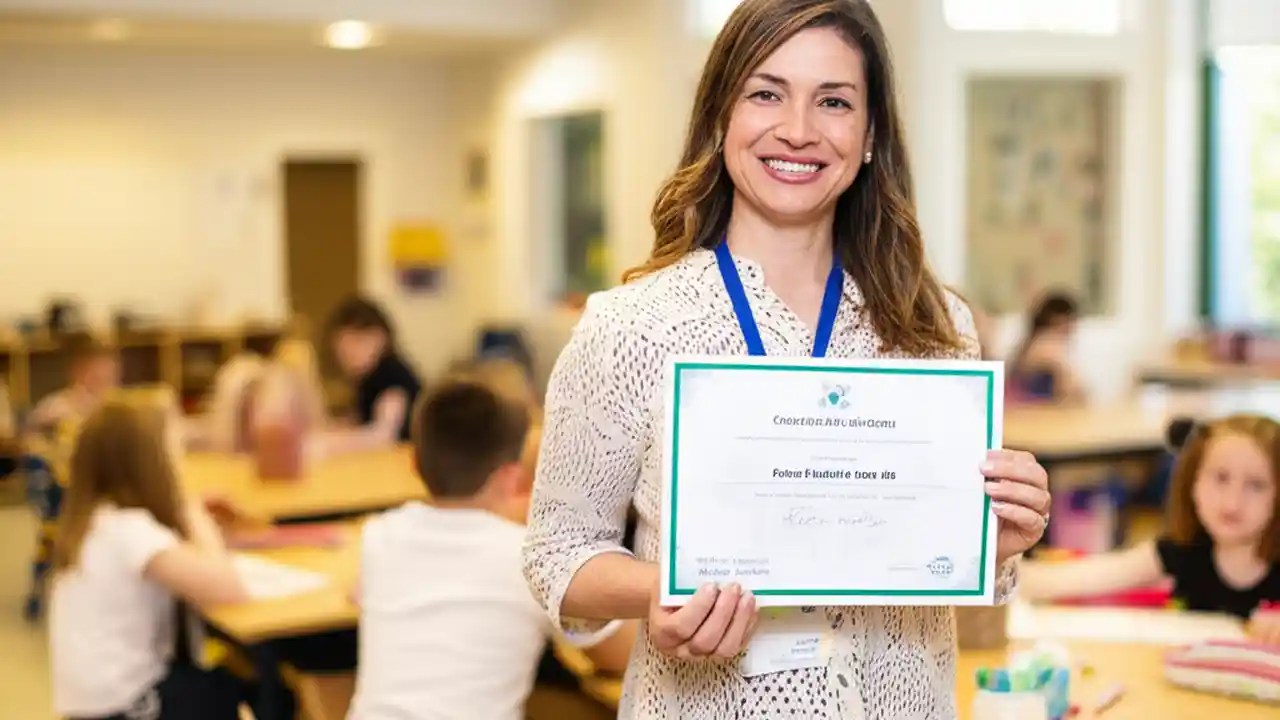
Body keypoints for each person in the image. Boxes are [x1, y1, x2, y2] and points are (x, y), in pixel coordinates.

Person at [521, 1, 1051, 717]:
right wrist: (659, 592)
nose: (798, 130)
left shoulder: (936, 324)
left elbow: (934, 553)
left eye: (833, 101)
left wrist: (997, 540)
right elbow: (558, 552)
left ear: (869, 137)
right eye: (766, 93)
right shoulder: (632, 328)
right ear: (720, 119)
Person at [347, 380, 633, 720]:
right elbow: (624, 653)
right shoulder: (531, 558)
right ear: (512, 478)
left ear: (413, 463)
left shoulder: (379, 536)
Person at [48, 398, 250, 720]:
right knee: (241, 687)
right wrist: (190, 508)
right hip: (127, 708)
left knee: (207, 679)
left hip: (90, 709)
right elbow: (228, 588)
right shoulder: (130, 530)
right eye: (175, 455)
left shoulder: (97, 521)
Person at [1021, 414, 1280, 645]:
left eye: (1257, 485)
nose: (1232, 502)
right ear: (1192, 482)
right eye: (1220, 478)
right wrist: (996, 576)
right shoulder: (1181, 549)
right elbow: (1084, 578)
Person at [325, 296, 422, 449]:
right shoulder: (368, 378)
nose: (349, 353)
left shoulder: (392, 376)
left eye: (357, 341)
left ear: (381, 339)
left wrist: (328, 444)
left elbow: (383, 435)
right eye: (343, 347)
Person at [27, 334, 121, 436]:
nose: (104, 373)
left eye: (109, 378)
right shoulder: (54, 409)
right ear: (76, 370)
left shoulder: (122, 411)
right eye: (95, 374)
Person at [1007, 292, 1084, 403]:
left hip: (1029, 408)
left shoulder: (1031, 343)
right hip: (1030, 410)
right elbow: (1072, 387)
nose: (1072, 328)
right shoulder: (1044, 344)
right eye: (1069, 321)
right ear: (1057, 320)